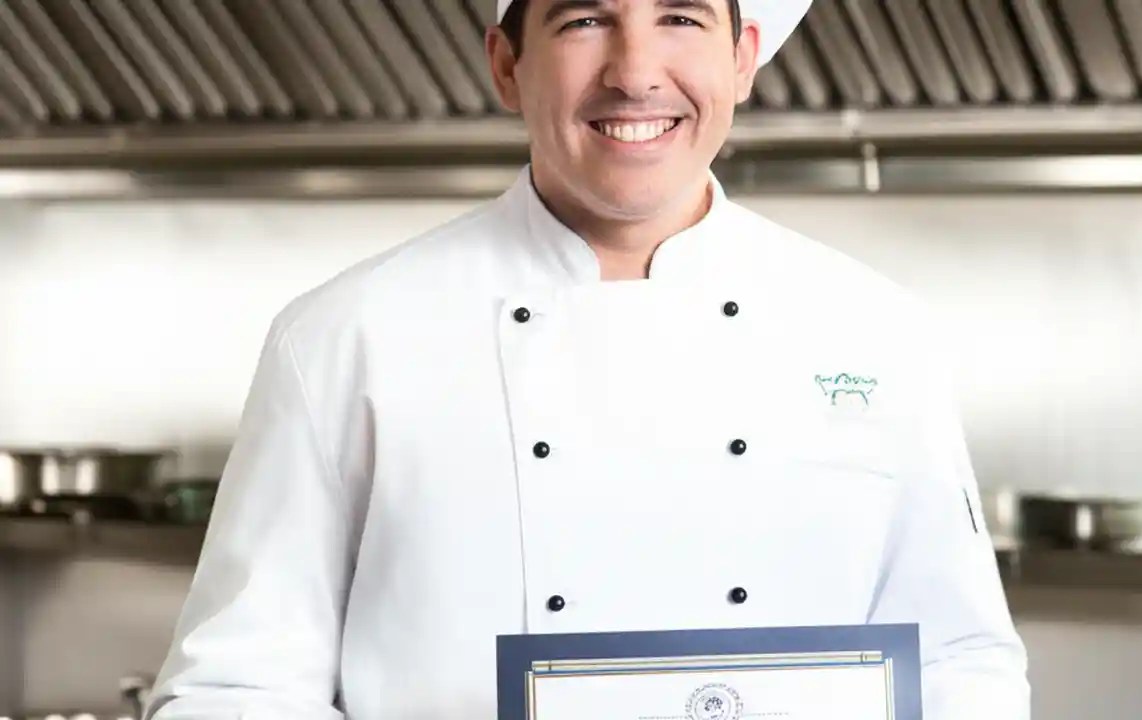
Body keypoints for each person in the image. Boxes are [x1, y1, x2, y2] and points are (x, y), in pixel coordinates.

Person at [146, 1, 1029, 718]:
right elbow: (235, 691)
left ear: (743, 56)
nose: (636, 71)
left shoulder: (874, 329)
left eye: (681, 17)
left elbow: (962, 666)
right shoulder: (346, 337)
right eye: (583, 21)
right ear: (505, 64)